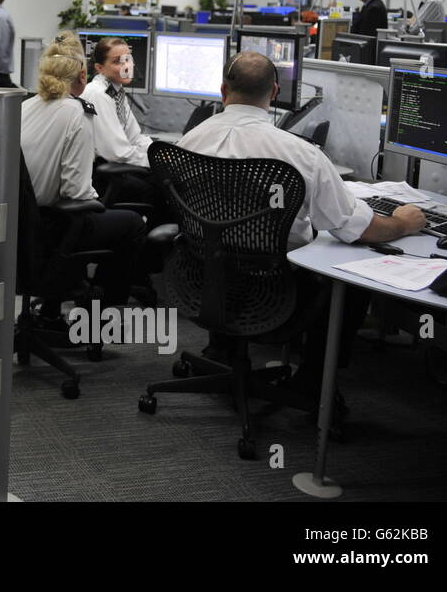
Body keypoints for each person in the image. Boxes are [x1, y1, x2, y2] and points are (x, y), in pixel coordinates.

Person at [177, 51, 426, 391]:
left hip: (202, 281)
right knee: (350, 277)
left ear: (223, 90)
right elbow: (358, 229)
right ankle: (312, 384)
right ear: (275, 92)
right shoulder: (300, 154)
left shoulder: (188, 141)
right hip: (275, 293)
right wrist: (402, 223)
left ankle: (221, 348)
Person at [20, 34, 146, 311]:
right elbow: (76, 192)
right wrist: (96, 198)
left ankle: (63, 308)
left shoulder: (25, 107)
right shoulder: (77, 113)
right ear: (82, 74)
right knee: (132, 224)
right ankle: (101, 321)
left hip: (20, 228)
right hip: (52, 226)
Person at [81, 36, 153, 168]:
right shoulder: (99, 95)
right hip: (100, 173)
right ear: (100, 68)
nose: (126, 66)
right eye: (117, 62)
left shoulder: (116, 91)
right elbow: (117, 153)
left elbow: (134, 138)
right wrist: (157, 163)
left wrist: (159, 153)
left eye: (128, 59)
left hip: (115, 164)